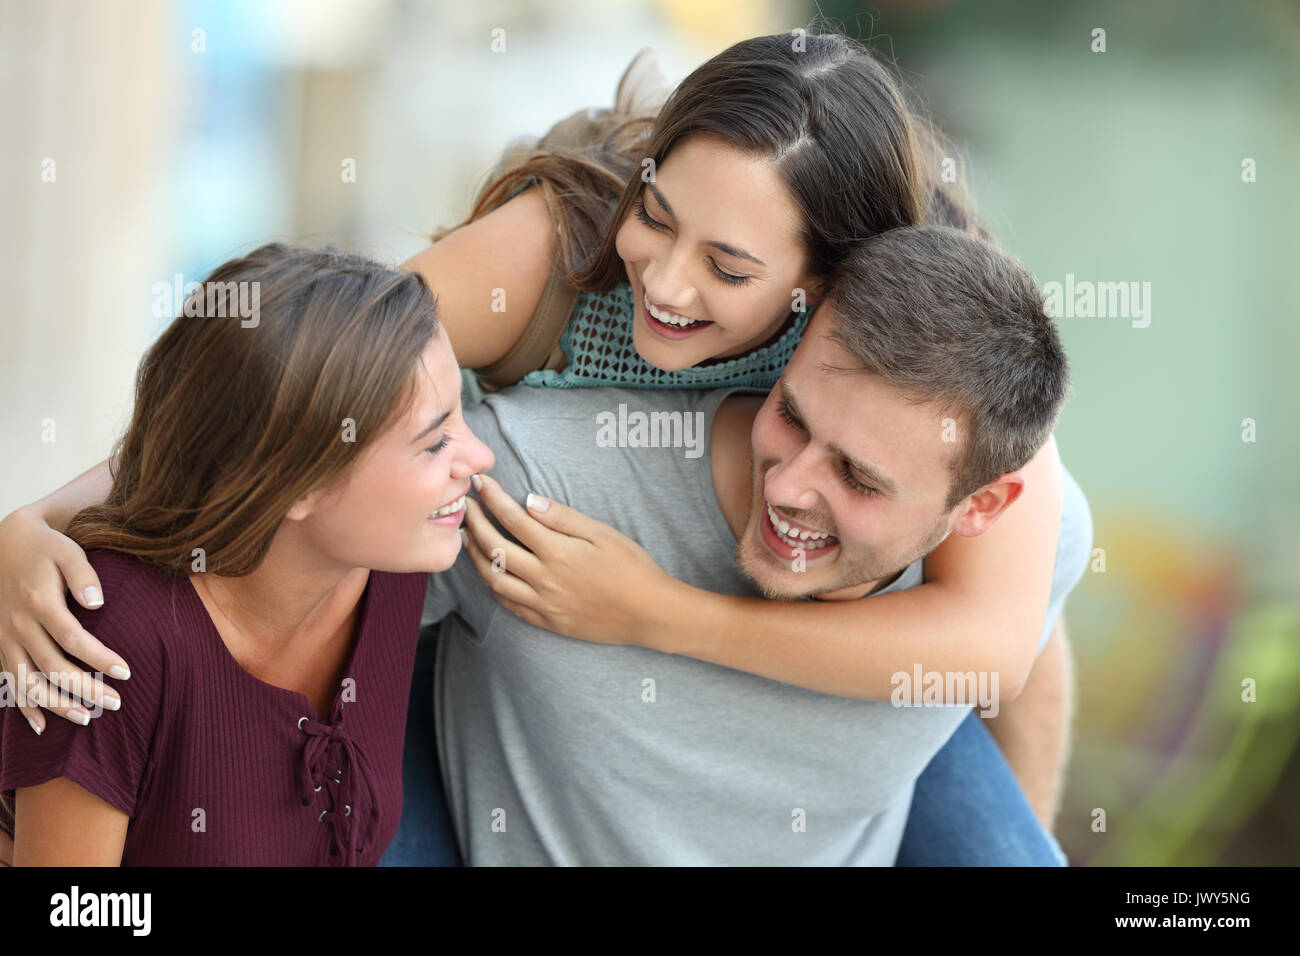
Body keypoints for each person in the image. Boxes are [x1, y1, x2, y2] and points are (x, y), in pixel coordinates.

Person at [0, 32, 1078, 863]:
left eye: (729, 267)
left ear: (823, 283)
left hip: (822, 708)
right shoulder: (554, 257)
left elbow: (1000, 642)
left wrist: (655, 613)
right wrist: (42, 520)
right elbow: (282, 388)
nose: (662, 280)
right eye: (659, 214)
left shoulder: (925, 352)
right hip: (440, 613)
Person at [415, 225, 1090, 864]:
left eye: (858, 477)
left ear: (982, 508)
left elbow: (1023, 652)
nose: (790, 488)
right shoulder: (537, 483)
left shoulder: (1030, 550)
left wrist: (658, 614)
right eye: (791, 414)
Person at [0, 244, 495, 864]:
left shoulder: (394, 563)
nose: (479, 458)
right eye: (433, 443)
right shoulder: (111, 639)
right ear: (300, 482)